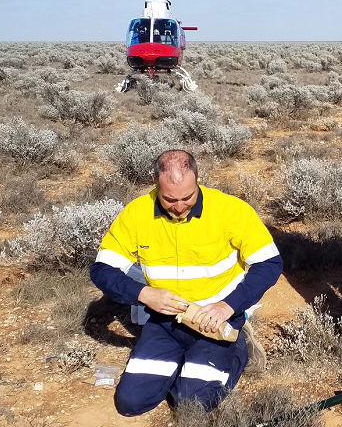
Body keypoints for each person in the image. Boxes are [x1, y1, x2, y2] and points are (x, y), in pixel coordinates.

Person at [90, 150, 282, 415]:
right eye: (169, 199)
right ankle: (187, 360)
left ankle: (239, 346)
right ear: (155, 183)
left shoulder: (231, 210)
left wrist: (228, 306)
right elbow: (102, 270)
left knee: (189, 403)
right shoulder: (137, 212)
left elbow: (269, 263)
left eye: (187, 197)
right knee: (131, 403)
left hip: (217, 318)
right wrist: (143, 294)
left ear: (198, 179)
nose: (179, 207)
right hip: (165, 322)